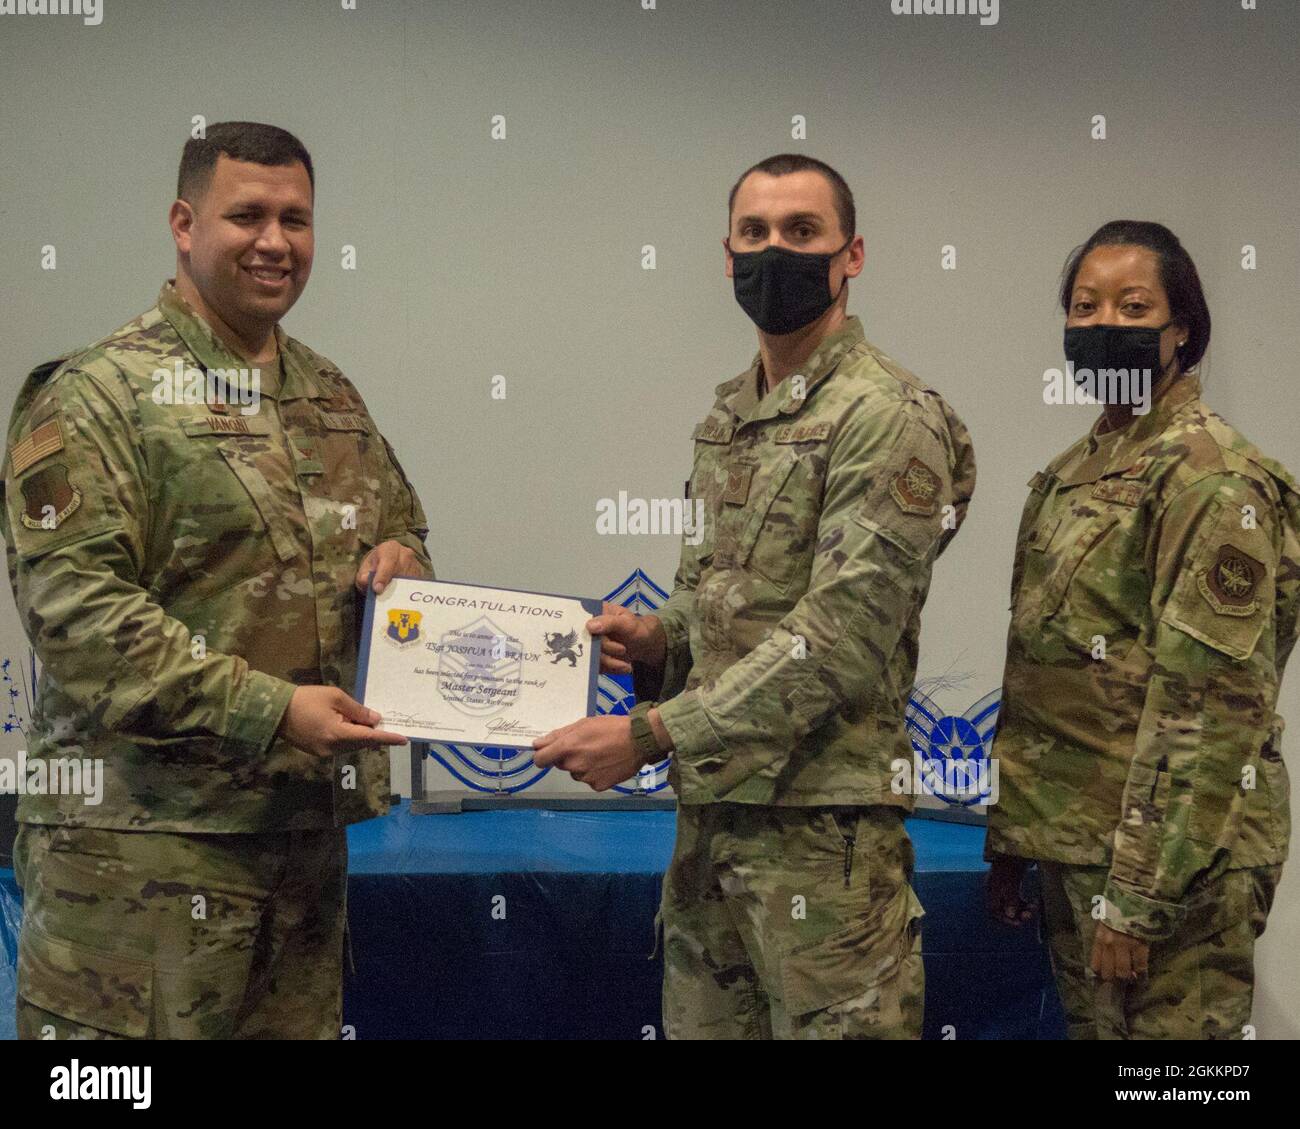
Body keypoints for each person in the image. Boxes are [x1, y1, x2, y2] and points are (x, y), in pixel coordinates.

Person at [2, 121, 433, 1039]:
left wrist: (405, 565)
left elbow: (402, 524)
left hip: (300, 851)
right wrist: (271, 707)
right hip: (137, 860)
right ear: (184, 224)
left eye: (296, 219)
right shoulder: (96, 394)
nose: (274, 241)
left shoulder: (329, 393)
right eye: (247, 215)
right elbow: (80, 618)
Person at [534, 154, 976, 1039]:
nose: (777, 251)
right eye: (756, 234)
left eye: (802, 232)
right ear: (727, 256)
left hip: (824, 839)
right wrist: (659, 640)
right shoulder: (731, 415)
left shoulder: (888, 415)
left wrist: (652, 733)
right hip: (712, 827)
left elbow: (840, 634)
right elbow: (718, 602)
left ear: (852, 255)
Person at [985, 220, 1298, 1039]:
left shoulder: (1210, 475)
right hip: (1080, 843)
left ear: (1181, 327)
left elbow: (1208, 706)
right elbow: (1053, 673)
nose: (1103, 325)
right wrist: (1017, 835)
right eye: (1084, 307)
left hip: (1174, 869)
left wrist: (1143, 893)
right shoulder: (1073, 473)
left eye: (1132, 306)